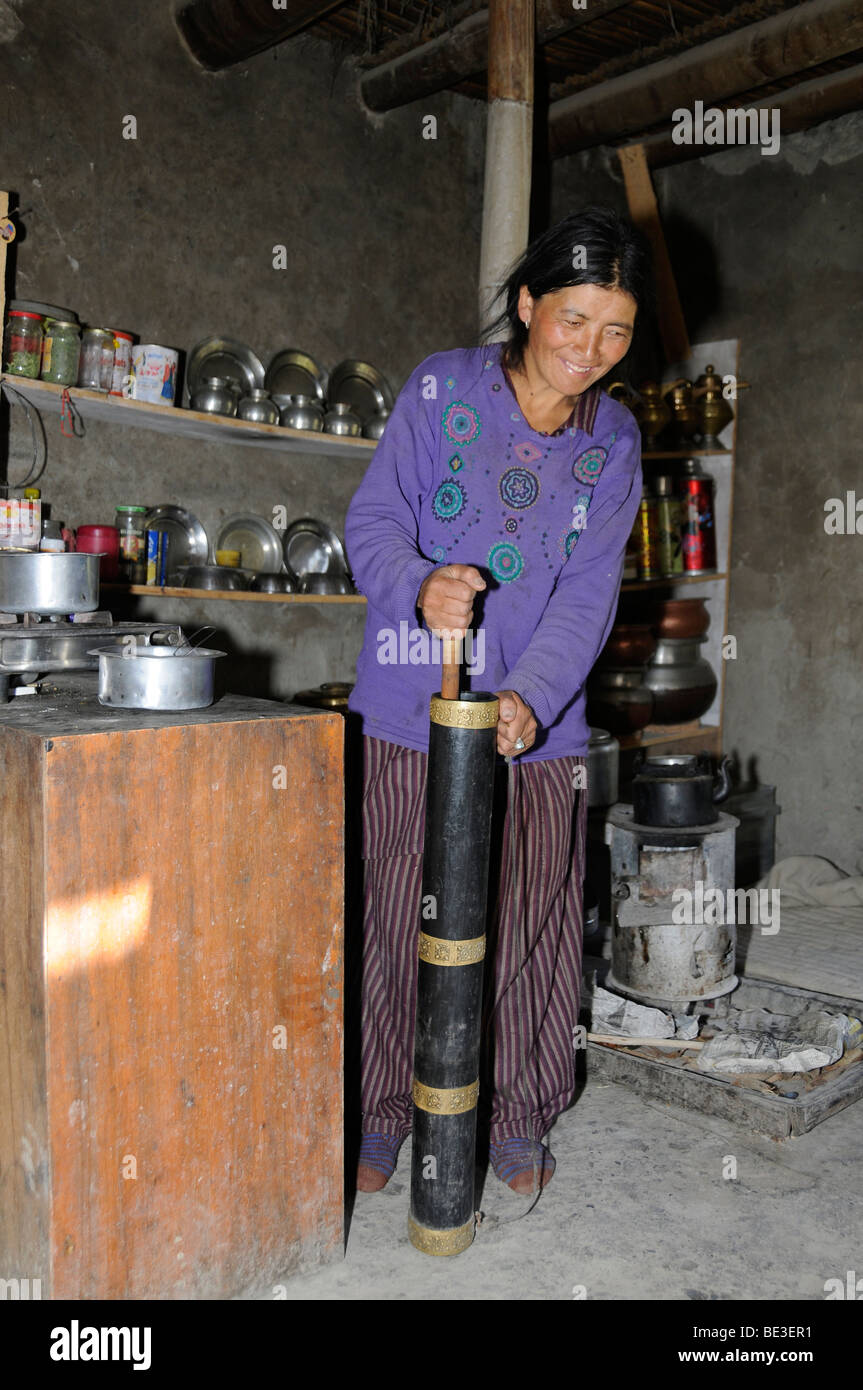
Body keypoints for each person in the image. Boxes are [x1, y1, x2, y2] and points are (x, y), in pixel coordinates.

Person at [344, 205, 653, 1196]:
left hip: (538, 727)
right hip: (408, 705)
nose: (590, 350)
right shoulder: (443, 389)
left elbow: (586, 591)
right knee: (398, 910)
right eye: (572, 320)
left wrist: (529, 696)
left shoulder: (612, 443)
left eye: (615, 329)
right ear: (525, 305)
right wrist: (414, 583)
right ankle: (383, 1109)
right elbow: (378, 515)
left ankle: (518, 1115)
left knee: (527, 921)